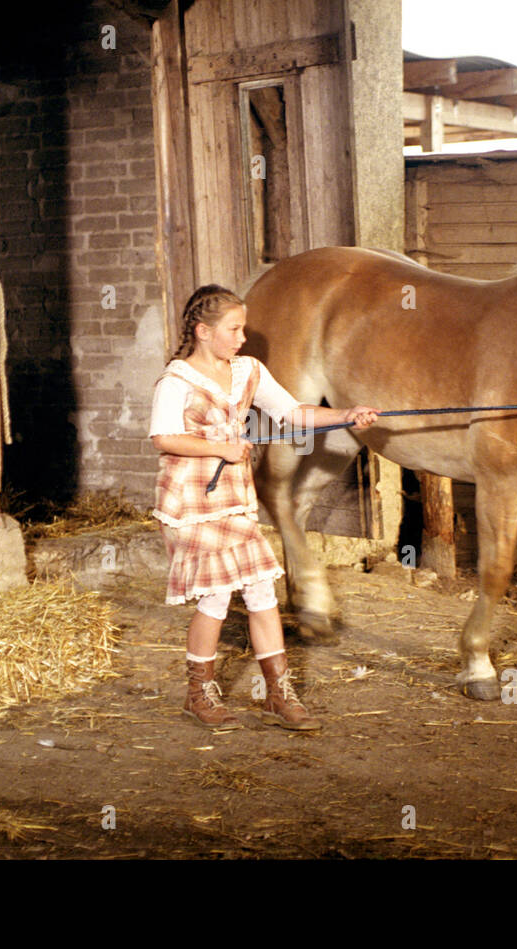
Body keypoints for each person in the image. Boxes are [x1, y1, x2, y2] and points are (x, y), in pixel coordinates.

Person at [148, 284, 379, 730]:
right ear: (202, 331)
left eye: (242, 329)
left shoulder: (247, 371)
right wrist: (219, 449)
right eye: (233, 329)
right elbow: (163, 438)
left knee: (260, 591)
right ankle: (199, 694)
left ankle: (278, 694)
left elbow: (294, 413)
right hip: (193, 499)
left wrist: (348, 415)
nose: (241, 337)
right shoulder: (175, 381)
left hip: (235, 496)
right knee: (216, 596)